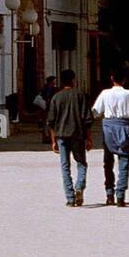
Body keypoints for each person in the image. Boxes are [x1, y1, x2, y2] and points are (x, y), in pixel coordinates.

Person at [92, 68, 129, 206]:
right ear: (124, 80)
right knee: (124, 161)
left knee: (108, 162)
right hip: (124, 127)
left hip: (108, 127)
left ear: (112, 78)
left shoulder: (105, 93)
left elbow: (95, 112)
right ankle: (121, 195)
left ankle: (109, 193)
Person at [47, 70, 93, 206]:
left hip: (61, 136)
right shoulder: (80, 96)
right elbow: (87, 120)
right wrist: (89, 138)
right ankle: (79, 186)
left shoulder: (56, 98)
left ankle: (70, 198)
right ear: (73, 80)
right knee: (81, 163)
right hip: (78, 135)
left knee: (65, 166)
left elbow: (51, 122)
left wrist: (53, 140)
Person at [36, 75, 57, 139]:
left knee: (46, 122)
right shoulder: (48, 88)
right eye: (54, 81)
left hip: (47, 107)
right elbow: (47, 97)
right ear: (51, 82)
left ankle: (46, 136)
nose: (55, 83)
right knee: (47, 122)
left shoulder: (47, 88)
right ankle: (47, 136)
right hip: (47, 107)